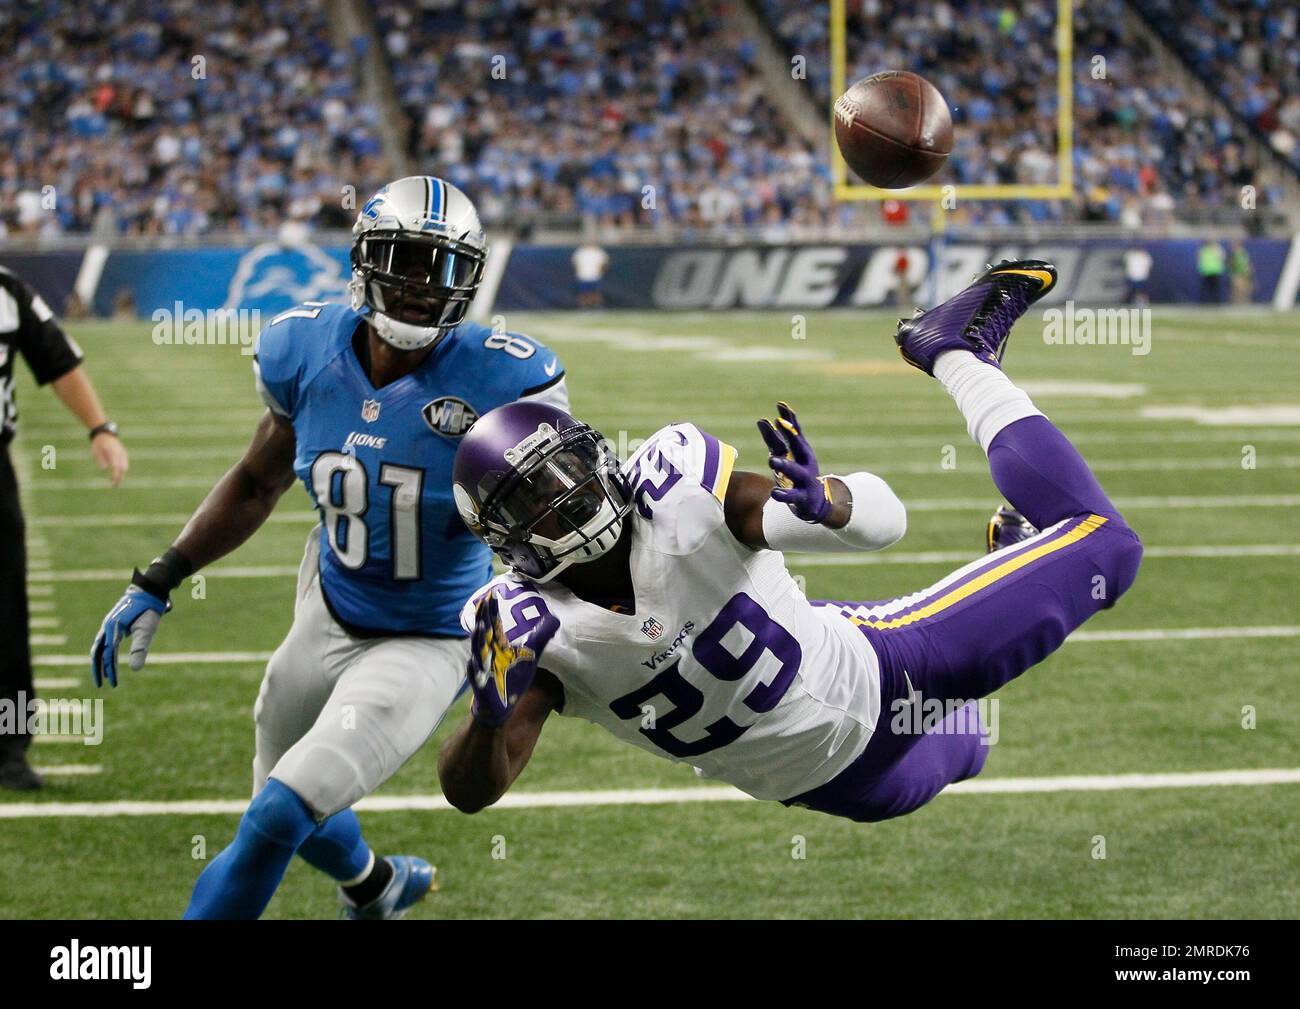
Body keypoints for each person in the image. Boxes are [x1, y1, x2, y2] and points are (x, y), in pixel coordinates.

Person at [438, 261, 1144, 825]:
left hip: (889, 666)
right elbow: (472, 791)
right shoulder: (530, 630)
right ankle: (1009, 562)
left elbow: (882, 522)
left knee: (1108, 549)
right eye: (534, 498)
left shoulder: (674, 493)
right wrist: (487, 714)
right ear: (505, 537)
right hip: (837, 785)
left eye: (566, 470)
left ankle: (955, 350)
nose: (567, 495)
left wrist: (826, 504)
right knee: (976, 745)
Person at [89, 177, 569, 918]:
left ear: (467, 279)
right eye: (403, 261)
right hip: (327, 609)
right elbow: (256, 481)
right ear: (364, 260)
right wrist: (161, 576)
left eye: (439, 267)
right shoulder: (304, 348)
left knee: (280, 814)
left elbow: (563, 516)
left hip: (428, 638)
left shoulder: (502, 378)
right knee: (282, 798)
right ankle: (378, 886)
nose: (418, 286)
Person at [1, 267, 129, 790]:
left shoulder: (7, 292)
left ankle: (7, 746)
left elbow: (58, 360)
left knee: (5, 607)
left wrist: (99, 428)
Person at [1197, 239, 1225, 304]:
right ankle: (1206, 303)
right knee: (1206, 289)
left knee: (1215, 289)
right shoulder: (1203, 250)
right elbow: (1199, 259)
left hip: (1215, 271)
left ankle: (1216, 303)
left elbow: (1222, 258)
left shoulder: (1217, 249)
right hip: (1206, 271)